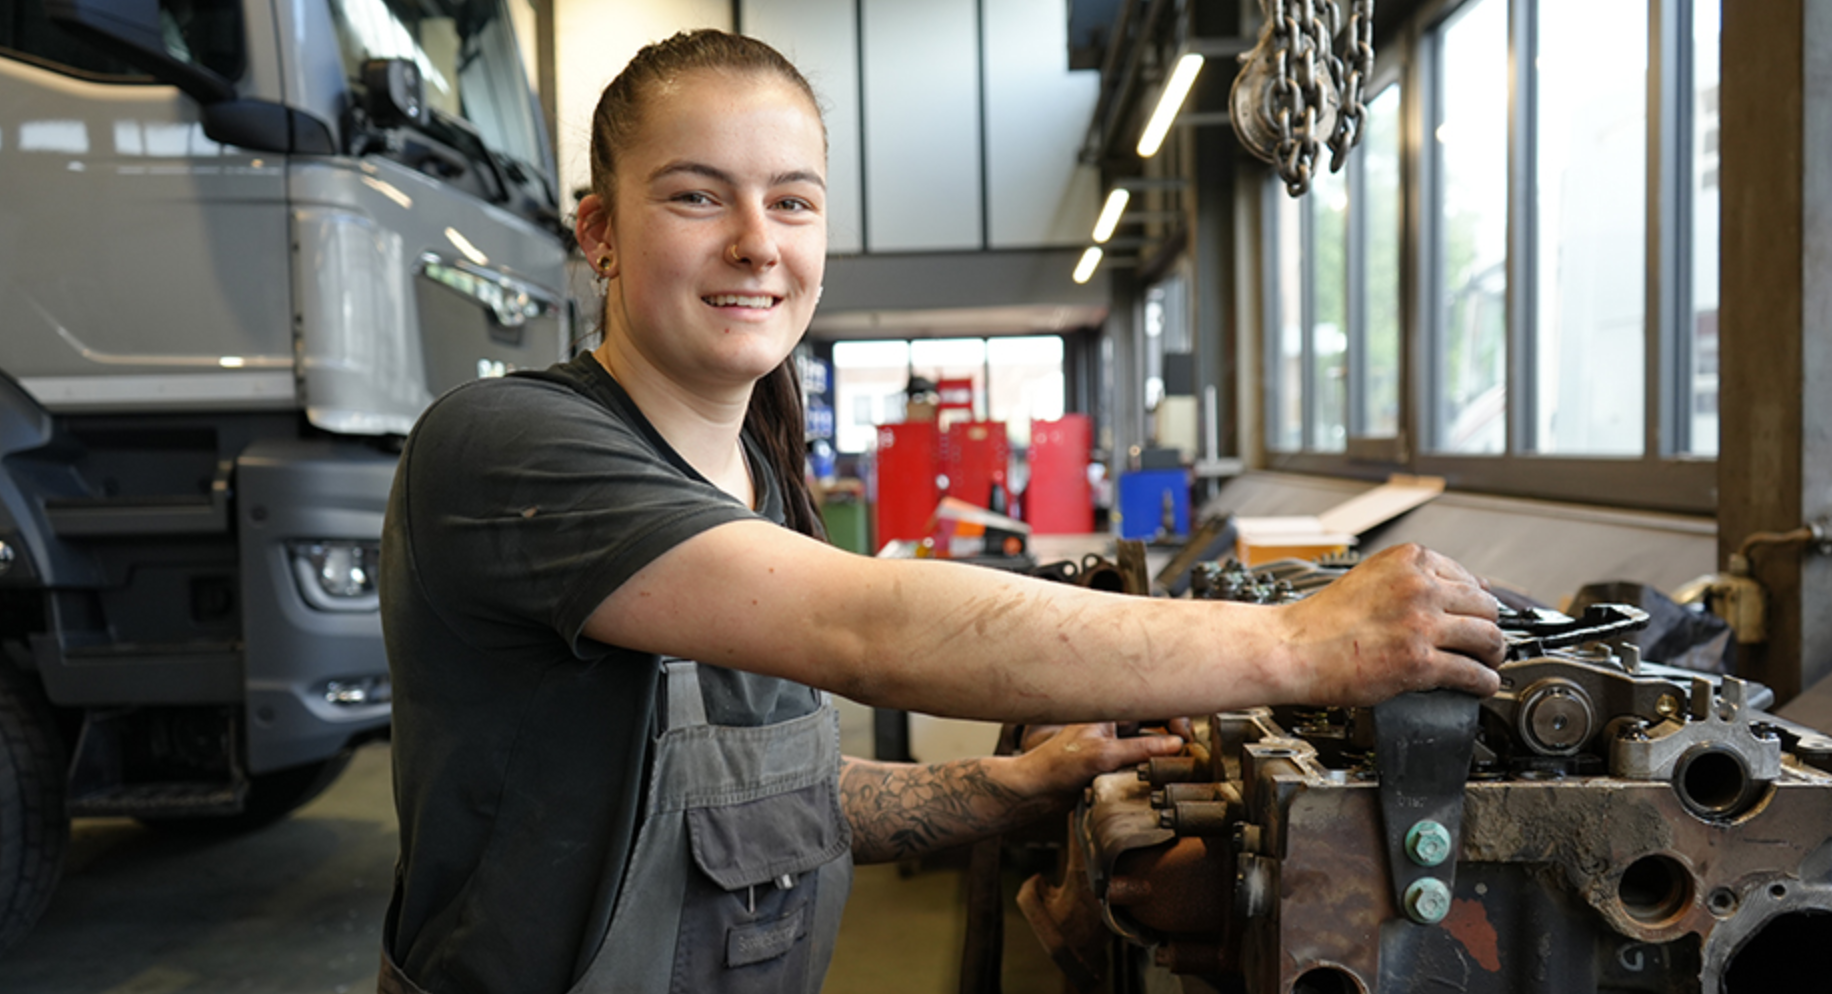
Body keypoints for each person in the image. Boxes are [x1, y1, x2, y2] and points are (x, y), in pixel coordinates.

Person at [376, 28, 1504, 994]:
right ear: (599, 234)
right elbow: (867, 629)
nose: (756, 242)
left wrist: (1009, 786)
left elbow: (763, 800)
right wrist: (1300, 642)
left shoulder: (761, 483)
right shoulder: (504, 447)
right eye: (695, 195)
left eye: (792, 202)